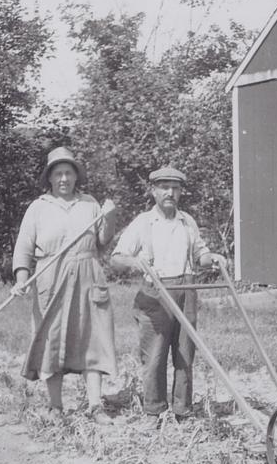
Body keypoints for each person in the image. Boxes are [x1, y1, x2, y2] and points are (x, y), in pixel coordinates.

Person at [110, 166, 225, 425]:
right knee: (155, 355)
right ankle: (154, 411)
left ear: (181, 192)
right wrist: (135, 263)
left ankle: (183, 411)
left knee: (185, 354)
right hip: (154, 293)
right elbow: (116, 258)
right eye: (164, 188)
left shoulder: (187, 221)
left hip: (187, 289)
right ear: (153, 191)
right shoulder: (143, 223)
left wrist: (214, 258)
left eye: (175, 188)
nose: (170, 193)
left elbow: (201, 255)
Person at [11, 147, 117, 425]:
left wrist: (109, 217)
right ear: (49, 177)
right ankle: (56, 406)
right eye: (58, 173)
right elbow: (23, 247)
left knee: (93, 339)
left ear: (76, 176)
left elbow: (103, 241)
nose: (63, 179)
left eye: (68, 173)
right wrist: (21, 279)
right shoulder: (38, 207)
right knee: (51, 341)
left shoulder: (89, 203)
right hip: (51, 276)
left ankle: (95, 406)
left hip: (88, 276)